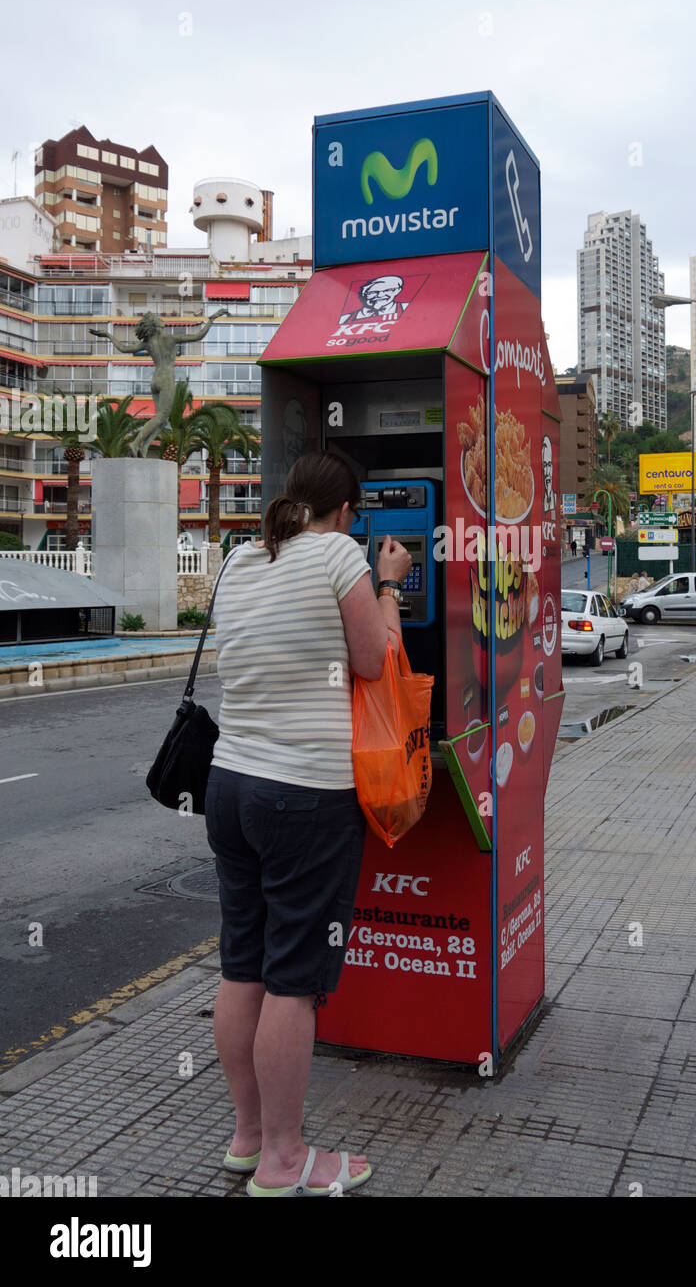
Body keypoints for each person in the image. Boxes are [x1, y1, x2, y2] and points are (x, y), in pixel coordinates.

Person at [204, 450, 412, 1197]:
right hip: (304, 795)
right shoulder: (336, 555)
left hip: (230, 784)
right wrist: (389, 585)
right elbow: (371, 659)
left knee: (243, 966)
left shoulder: (238, 558)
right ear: (348, 512)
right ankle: (287, 1162)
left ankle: (248, 1137)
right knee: (291, 982)